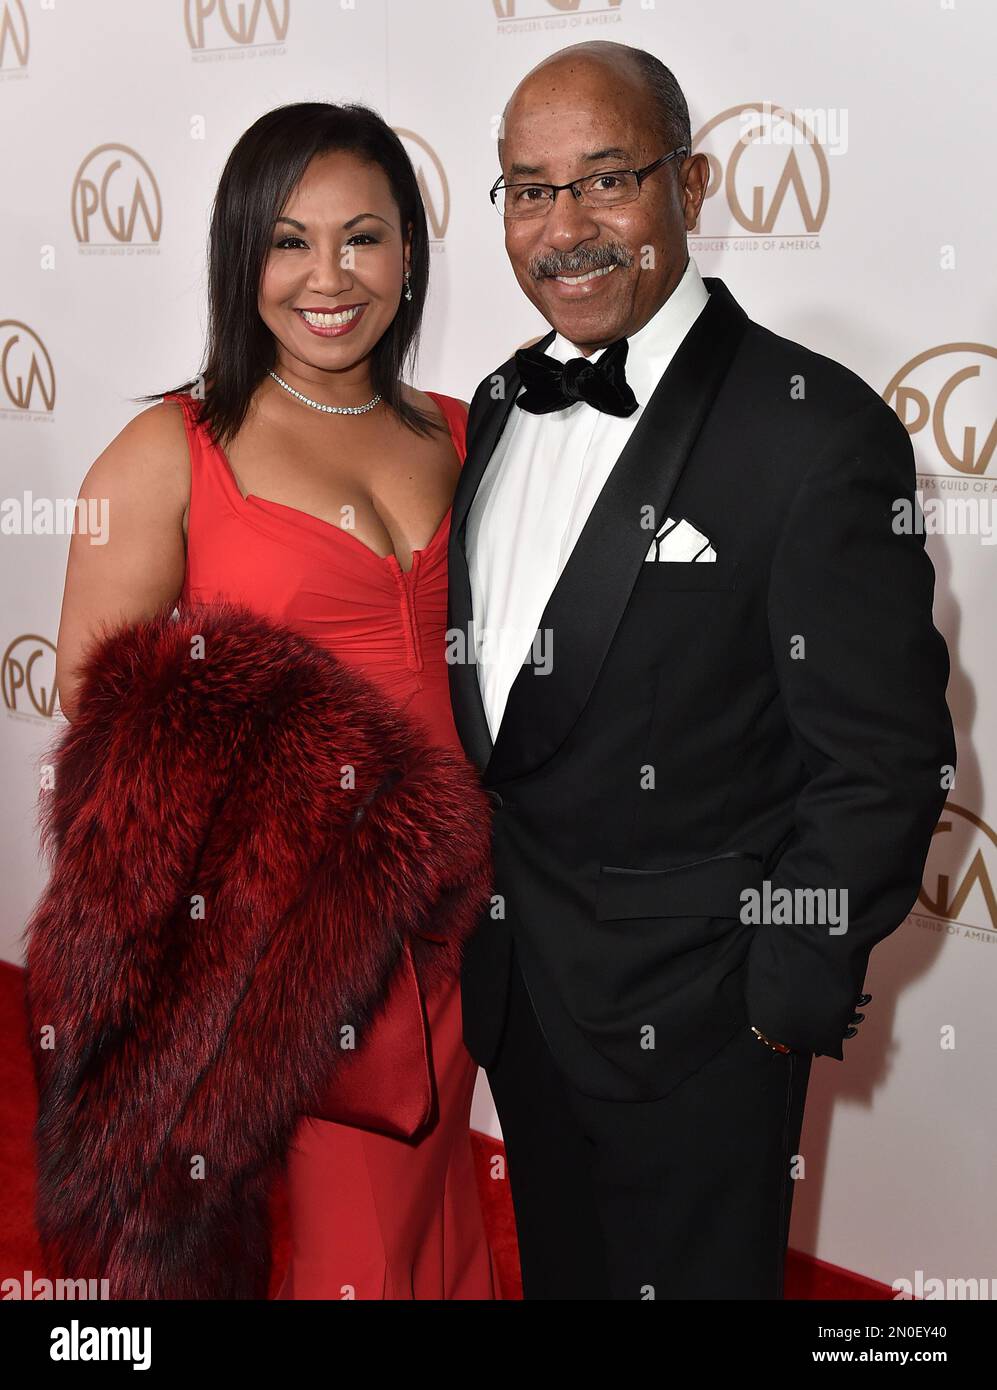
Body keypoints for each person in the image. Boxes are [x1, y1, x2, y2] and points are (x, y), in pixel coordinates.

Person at [447, 41, 956, 1300]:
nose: (562, 228)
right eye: (526, 189)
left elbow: (884, 763)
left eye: (605, 179)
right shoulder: (502, 400)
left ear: (692, 181)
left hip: (702, 1023)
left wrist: (779, 998)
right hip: (519, 992)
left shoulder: (814, 431)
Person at [52, 101, 496, 1301]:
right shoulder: (171, 452)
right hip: (299, 953)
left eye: (364, 237)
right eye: (288, 240)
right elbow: (108, 760)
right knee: (344, 1250)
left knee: (433, 1214)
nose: (328, 278)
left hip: (465, 924)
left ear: (411, 253)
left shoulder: (468, 432)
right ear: (238, 253)